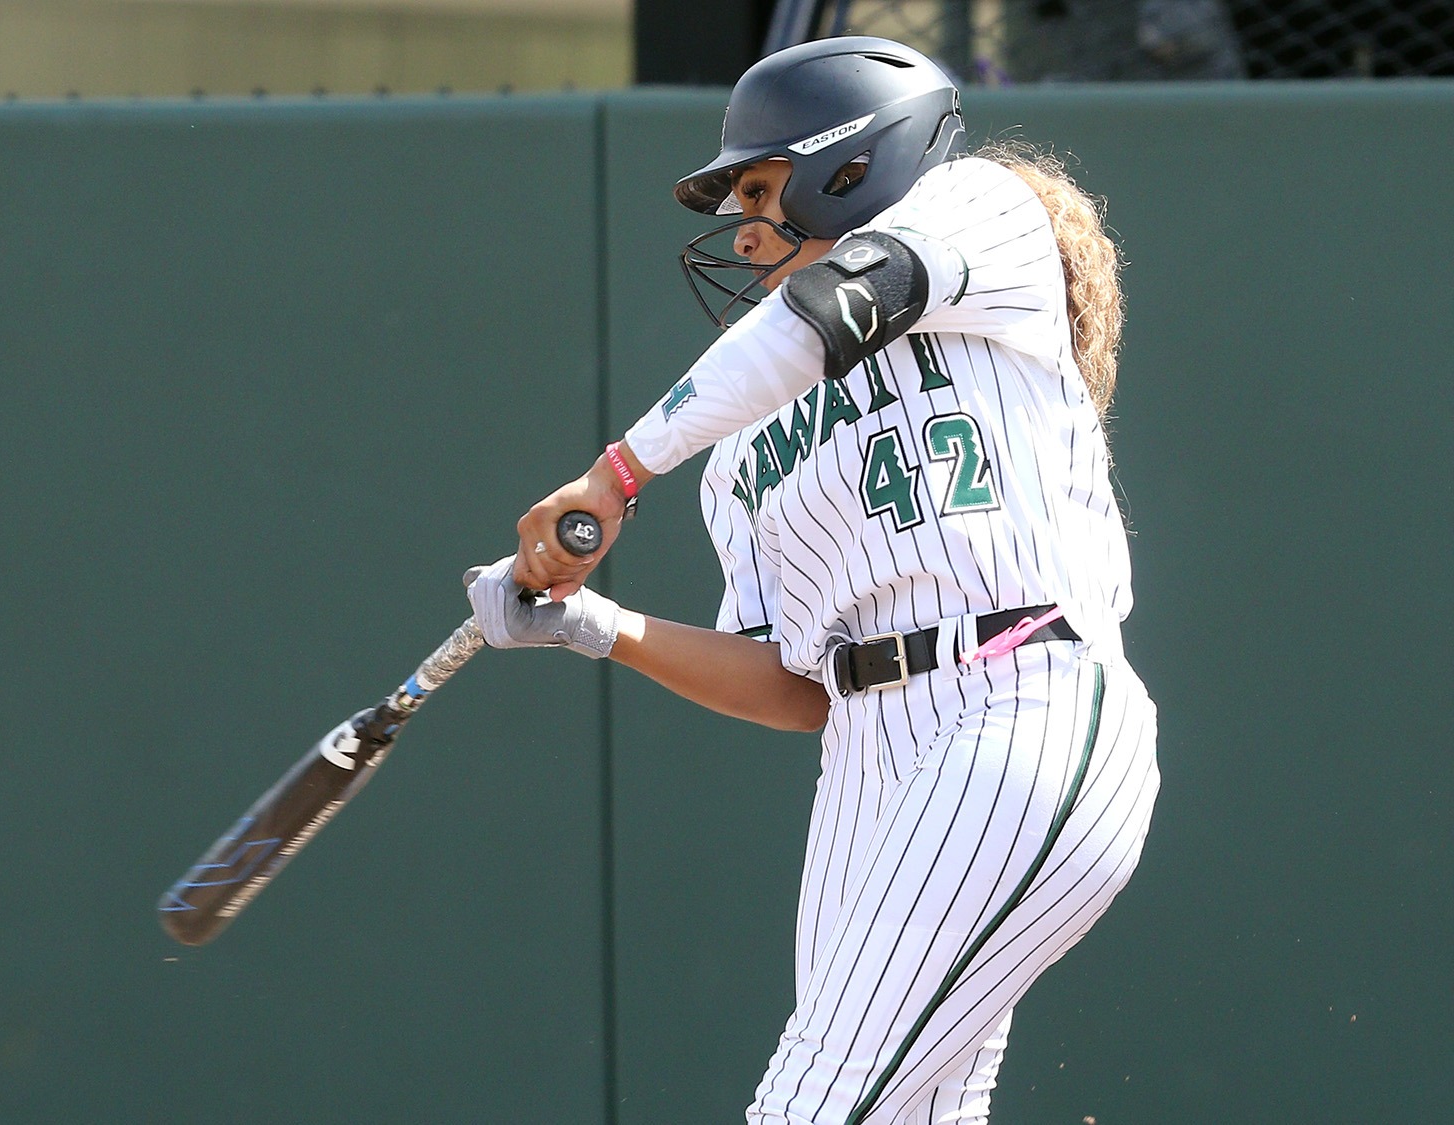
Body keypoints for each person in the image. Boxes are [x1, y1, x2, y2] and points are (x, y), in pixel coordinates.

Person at [462, 36, 1160, 1125]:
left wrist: (615, 470)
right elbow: (793, 687)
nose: (740, 224)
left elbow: (840, 301)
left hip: (1017, 694)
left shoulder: (978, 211)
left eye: (760, 184)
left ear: (855, 163)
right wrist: (592, 624)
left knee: (807, 1110)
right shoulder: (741, 445)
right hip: (865, 756)